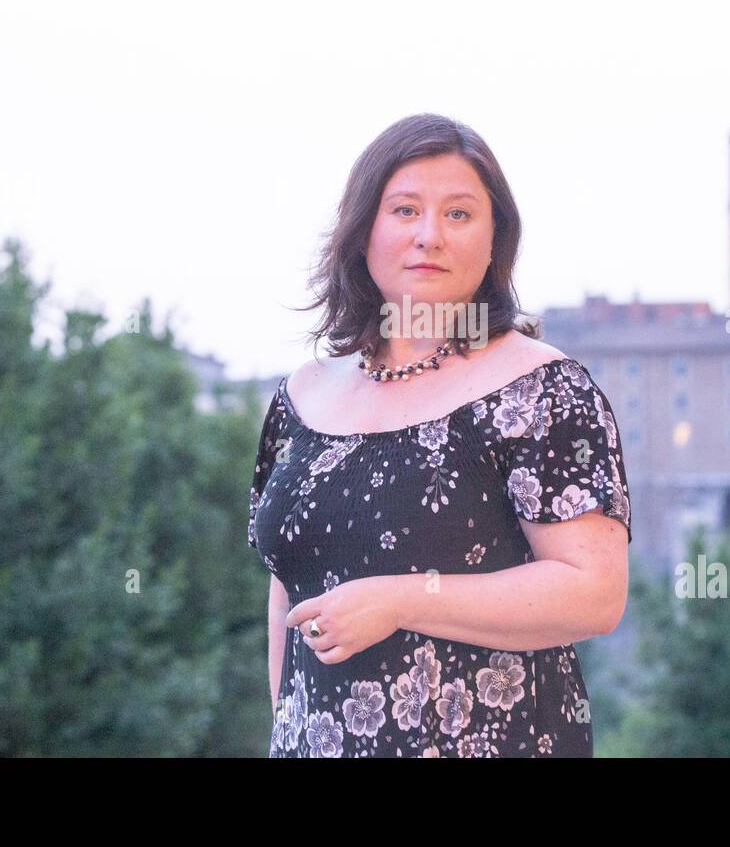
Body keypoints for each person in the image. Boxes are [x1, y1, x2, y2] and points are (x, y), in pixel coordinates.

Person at [247, 113, 631, 757]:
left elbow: (593, 593)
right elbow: (290, 585)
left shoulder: (541, 389)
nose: (430, 236)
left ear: (493, 241)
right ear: (362, 229)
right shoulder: (302, 397)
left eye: (459, 215)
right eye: (404, 210)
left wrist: (399, 601)